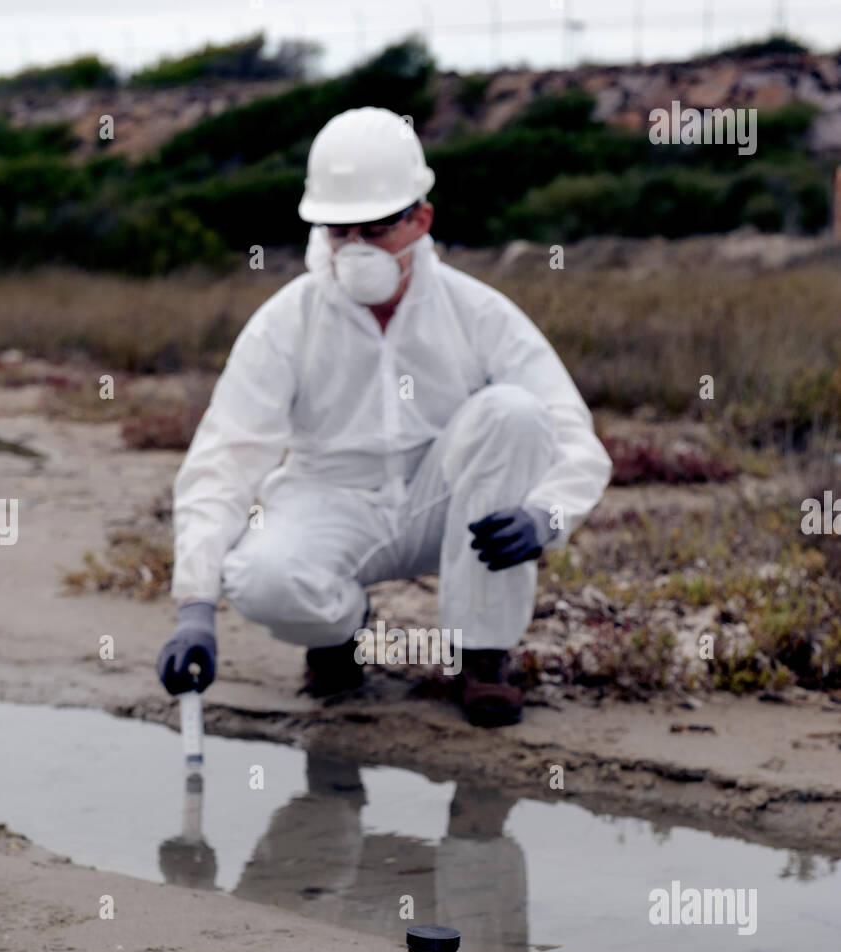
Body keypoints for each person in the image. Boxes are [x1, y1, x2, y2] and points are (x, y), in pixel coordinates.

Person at [157, 106, 611, 727]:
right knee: (261, 577)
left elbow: (570, 433)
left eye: (374, 229)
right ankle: (340, 631)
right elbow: (224, 460)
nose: (355, 250)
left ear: (419, 219)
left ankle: (484, 655)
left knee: (513, 412)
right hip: (331, 502)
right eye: (339, 233)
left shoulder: (478, 311)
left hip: (443, 504)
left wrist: (546, 513)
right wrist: (195, 605)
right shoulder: (285, 321)